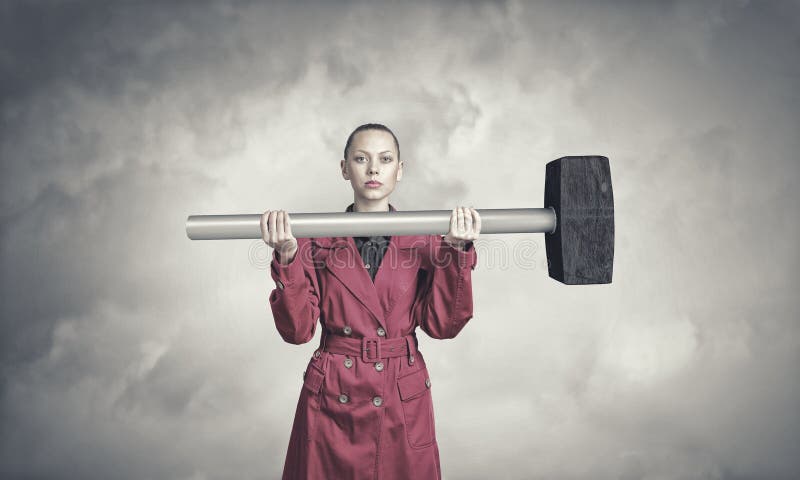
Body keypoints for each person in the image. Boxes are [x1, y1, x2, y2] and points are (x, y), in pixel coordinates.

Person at [261, 123, 481, 479]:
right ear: (345, 168)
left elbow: (444, 326)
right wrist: (287, 256)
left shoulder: (427, 240)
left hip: (400, 391)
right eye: (361, 158)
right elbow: (298, 331)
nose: (374, 169)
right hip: (333, 392)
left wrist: (457, 252)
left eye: (385, 159)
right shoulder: (313, 242)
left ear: (400, 169)